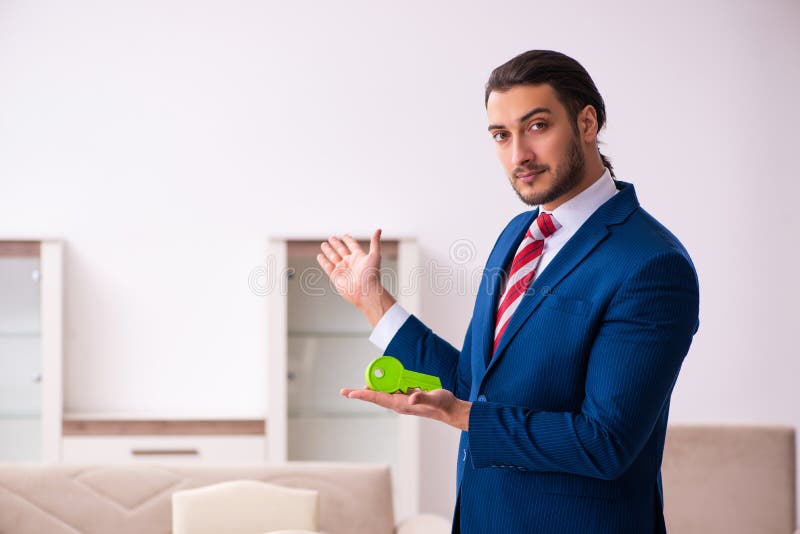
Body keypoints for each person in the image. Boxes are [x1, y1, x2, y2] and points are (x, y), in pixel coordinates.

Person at [316, 50, 700, 534]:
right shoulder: (519, 233)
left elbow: (605, 443)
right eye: (501, 136)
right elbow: (476, 382)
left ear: (586, 123)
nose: (518, 154)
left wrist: (462, 416)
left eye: (536, 126)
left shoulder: (650, 263)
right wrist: (373, 301)